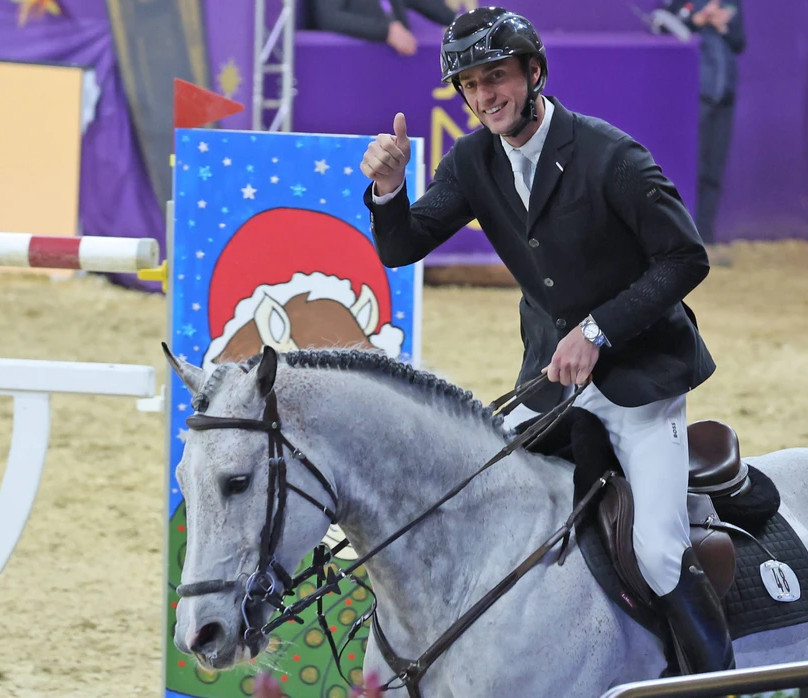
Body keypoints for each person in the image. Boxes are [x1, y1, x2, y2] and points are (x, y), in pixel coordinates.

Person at [358, 7, 734, 675]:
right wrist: (389, 191)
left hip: (640, 384)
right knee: (477, 505)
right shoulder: (474, 159)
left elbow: (686, 259)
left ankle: (717, 683)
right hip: (553, 386)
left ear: (534, 72)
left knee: (658, 552)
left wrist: (598, 330)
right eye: (469, 86)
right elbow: (403, 246)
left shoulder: (611, 156)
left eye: (495, 78)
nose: (483, 98)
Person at [664, 0, 746, 244]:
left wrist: (722, 27)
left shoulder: (732, 3)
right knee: (688, 168)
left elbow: (739, 42)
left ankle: (705, 239)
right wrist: (698, 20)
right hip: (695, 96)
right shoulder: (682, 2)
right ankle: (680, 239)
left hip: (724, 95)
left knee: (713, 170)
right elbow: (664, 30)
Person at [307, 0, 456, 57]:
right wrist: (386, 31)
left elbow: (426, 4)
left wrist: (460, 20)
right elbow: (330, 18)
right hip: (355, 64)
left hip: (398, 64)